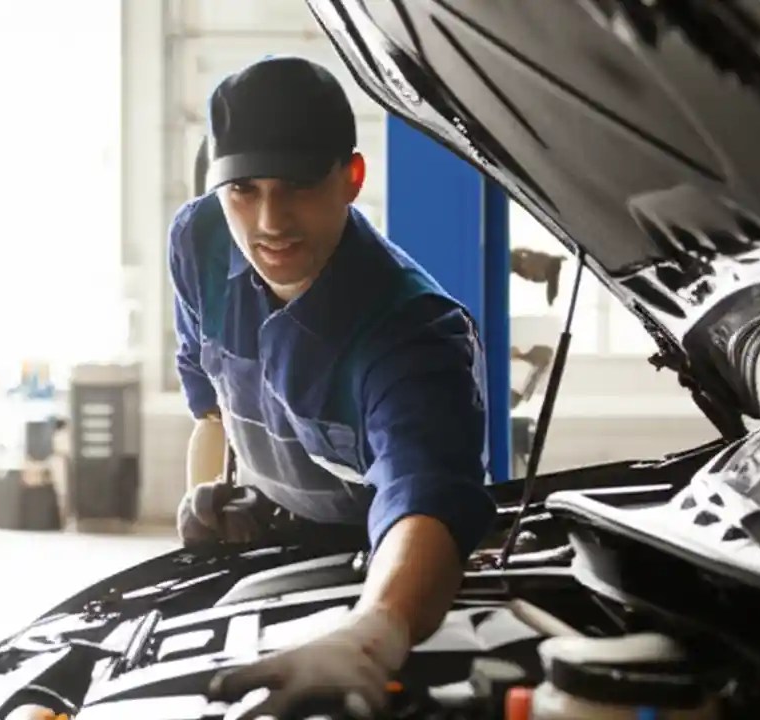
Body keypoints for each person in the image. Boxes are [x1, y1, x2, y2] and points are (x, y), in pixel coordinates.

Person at [169, 56, 497, 717]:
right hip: (272, 545)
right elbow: (211, 405)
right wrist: (214, 497)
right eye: (245, 190)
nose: (268, 221)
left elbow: (423, 497)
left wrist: (374, 635)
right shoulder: (199, 239)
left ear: (351, 178)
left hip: (383, 570)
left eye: (295, 185)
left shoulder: (412, 332)